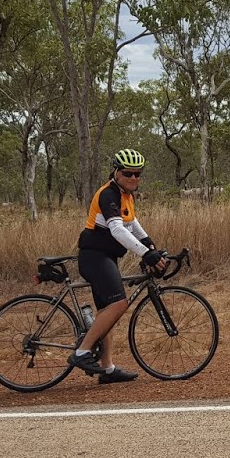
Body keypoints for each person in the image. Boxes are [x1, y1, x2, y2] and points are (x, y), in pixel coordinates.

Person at [69, 148, 168, 384]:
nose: (133, 178)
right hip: (94, 257)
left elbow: (133, 225)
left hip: (106, 257)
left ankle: (107, 369)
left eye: (137, 174)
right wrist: (146, 254)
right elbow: (116, 229)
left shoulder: (126, 196)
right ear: (116, 172)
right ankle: (82, 353)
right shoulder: (108, 194)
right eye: (128, 173)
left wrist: (151, 248)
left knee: (107, 313)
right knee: (118, 304)